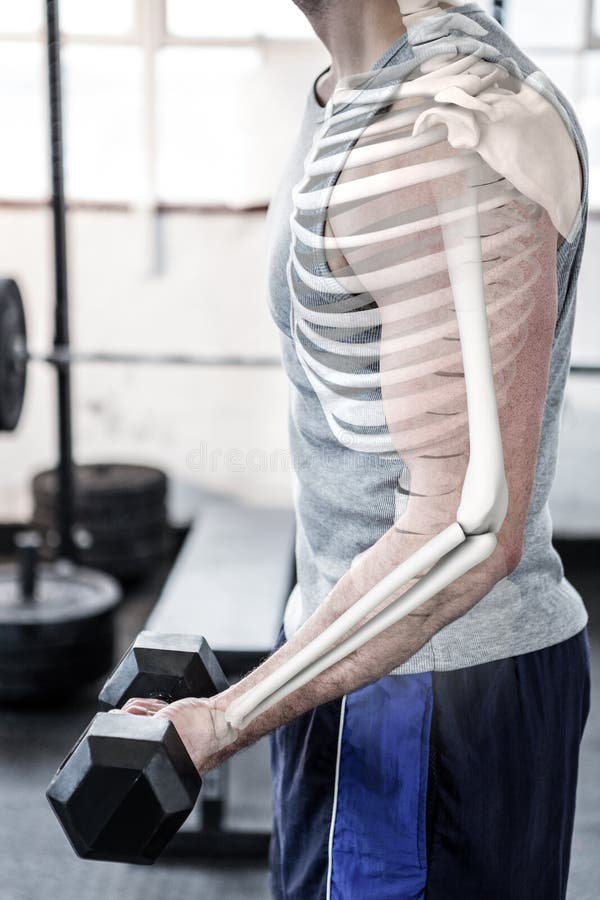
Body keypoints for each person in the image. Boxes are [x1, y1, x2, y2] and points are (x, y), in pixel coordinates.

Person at [121, 2, 590, 897]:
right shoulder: (361, 88)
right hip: (370, 660)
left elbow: (463, 532)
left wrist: (222, 722)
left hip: (425, 692)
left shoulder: (439, 132)